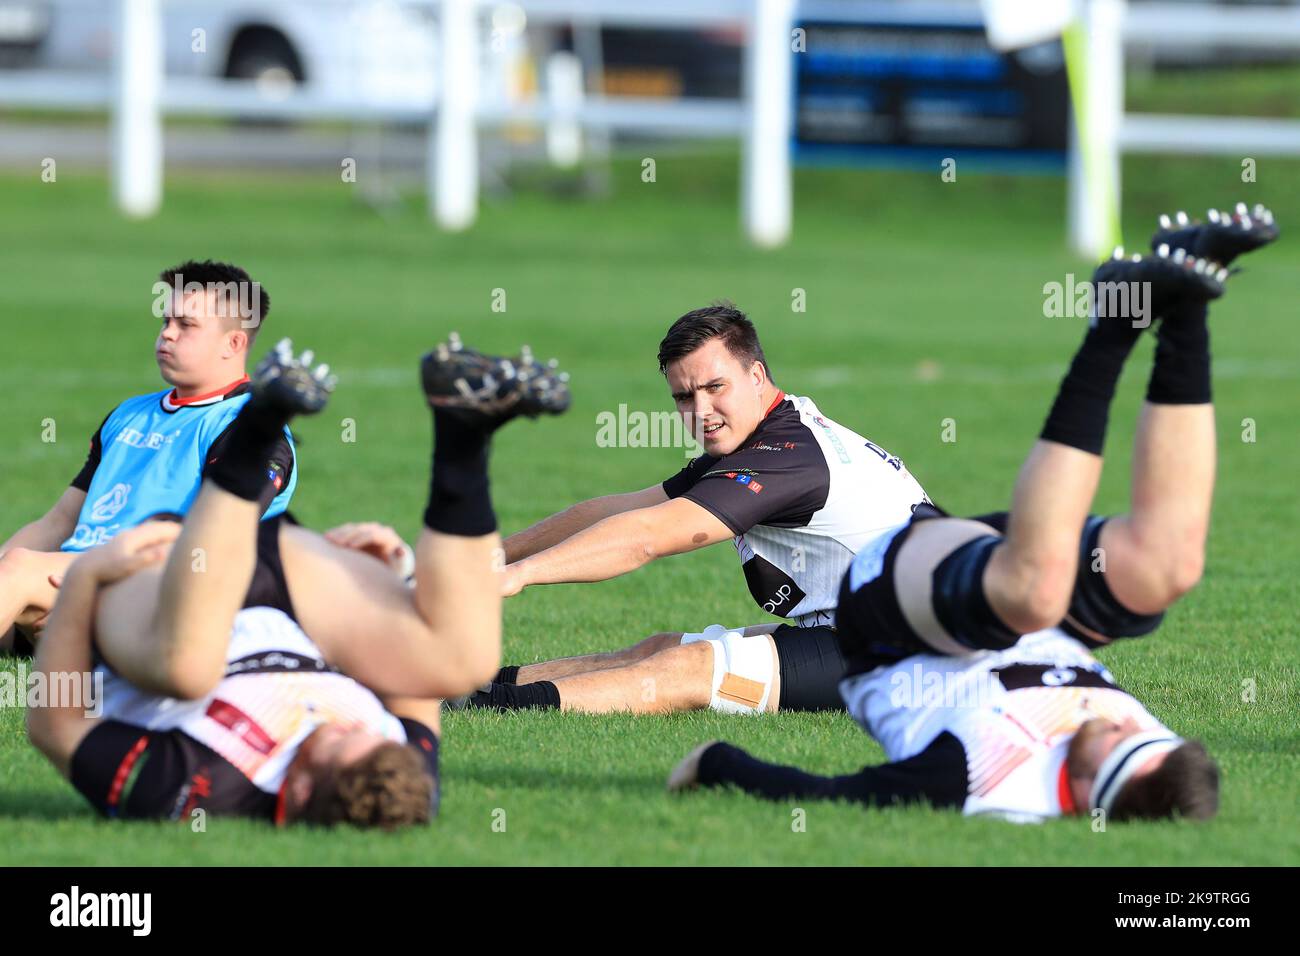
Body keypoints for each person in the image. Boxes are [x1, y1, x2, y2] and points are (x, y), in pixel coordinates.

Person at [667, 204, 1278, 822]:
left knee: (1035, 589)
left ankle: (1111, 325)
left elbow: (834, 797)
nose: (1117, 717)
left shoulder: (989, 783)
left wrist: (715, 764)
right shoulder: (1150, 757)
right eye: (1138, 729)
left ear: (1092, 792)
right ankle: (1191, 297)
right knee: (1168, 567)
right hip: (1011, 593)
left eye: (1118, 740)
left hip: (894, 611)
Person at [27, 335, 570, 826]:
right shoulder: (398, 773)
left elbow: (54, 729)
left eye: (336, 740)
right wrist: (395, 584)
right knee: (463, 665)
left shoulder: (197, 789)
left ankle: (257, 424)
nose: (352, 724)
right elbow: (417, 689)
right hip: (290, 594)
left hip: (155, 593)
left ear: (301, 790)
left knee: (190, 667)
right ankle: (463, 435)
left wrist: (85, 580)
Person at [466, 305, 931, 715]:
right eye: (684, 396)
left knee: (686, 670)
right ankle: (468, 689)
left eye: (714, 387)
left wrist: (520, 574)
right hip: (866, 627)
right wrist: (497, 556)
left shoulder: (788, 455)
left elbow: (645, 537)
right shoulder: (768, 436)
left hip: (904, 654)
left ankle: (491, 708)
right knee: (658, 648)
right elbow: (624, 508)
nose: (700, 410)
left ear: (756, 376)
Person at [1, 260, 296, 654]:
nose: (167, 335)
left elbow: (210, 545)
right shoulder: (129, 414)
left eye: (186, 325)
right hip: (74, 580)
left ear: (233, 344)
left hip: (159, 600)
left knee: (20, 568)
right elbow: (58, 522)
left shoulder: (250, 432)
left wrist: (93, 586)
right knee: (14, 565)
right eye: (165, 321)